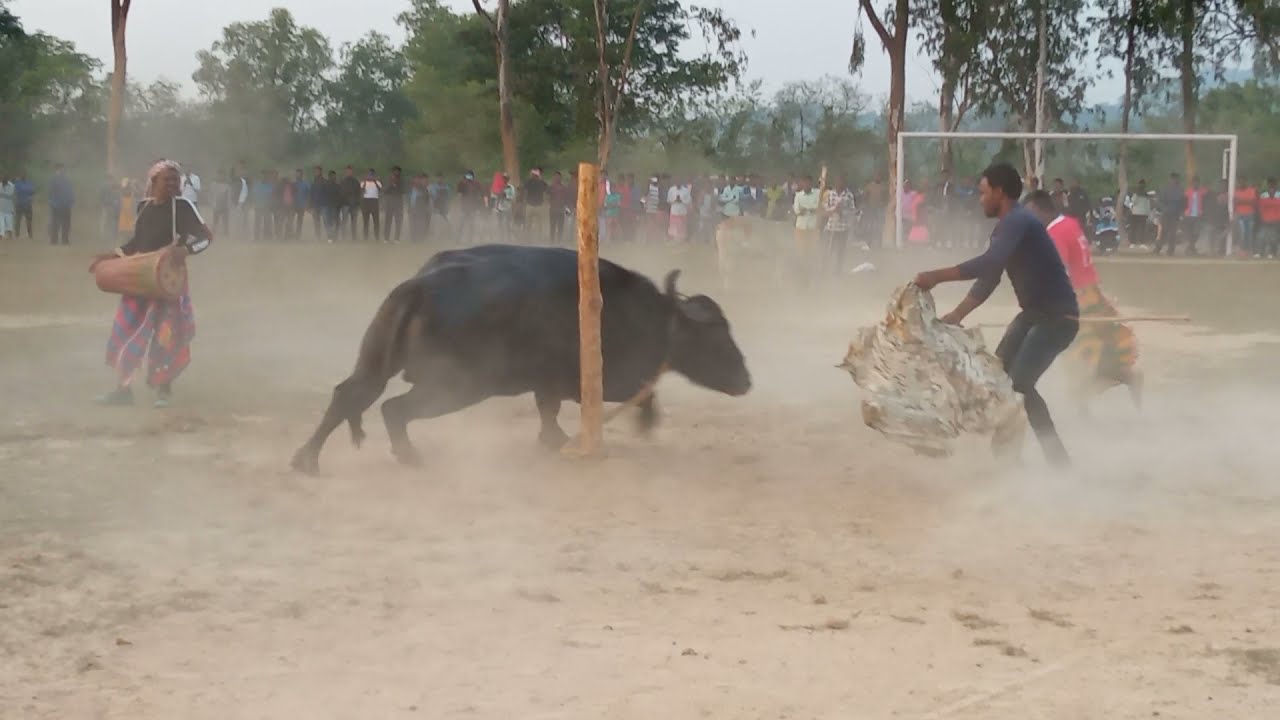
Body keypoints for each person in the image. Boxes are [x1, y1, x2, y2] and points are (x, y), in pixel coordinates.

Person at [913, 162, 1079, 468]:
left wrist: (937, 276)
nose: (980, 198)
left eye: (983, 192)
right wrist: (958, 313)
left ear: (999, 192)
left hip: (1057, 318)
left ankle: (1057, 461)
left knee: (1019, 385)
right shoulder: (1010, 225)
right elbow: (991, 277)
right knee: (998, 377)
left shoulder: (1017, 220)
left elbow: (989, 264)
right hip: (1034, 315)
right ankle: (1010, 457)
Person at [89, 160, 213, 408]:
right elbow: (137, 243)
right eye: (167, 179)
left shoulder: (183, 207)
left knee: (167, 334)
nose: (173, 184)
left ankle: (163, 391)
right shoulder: (143, 207)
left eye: (175, 180)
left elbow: (206, 237)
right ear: (153, 182)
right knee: (126, 331)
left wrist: (185, 250)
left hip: (168, 282)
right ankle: (123, 390)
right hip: (140, 280)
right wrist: (113, 255)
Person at [1025, 190, 1142, 414]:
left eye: (1030, 214)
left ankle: (1089, 405)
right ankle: (1121, 381)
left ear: (1041, 210)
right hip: (1091, 292)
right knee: (1100, 347)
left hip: (1075, 298)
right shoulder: (1069, 223)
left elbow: (1058, 273)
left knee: (1078, 355)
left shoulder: (1054, 233)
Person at [49, 164, 75, 245]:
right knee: (56, 223)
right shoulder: (54, 180)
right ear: (57, 170)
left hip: (64, 204)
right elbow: (51, 192)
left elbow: (70, 191)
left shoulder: (66, 180)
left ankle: (64, 240)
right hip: (57, 205)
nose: (61, 171)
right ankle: (55, 240)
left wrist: (71, 200)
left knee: (65, 224)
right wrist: (52, 202)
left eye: (62, 170)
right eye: (60, 170)